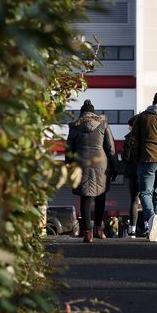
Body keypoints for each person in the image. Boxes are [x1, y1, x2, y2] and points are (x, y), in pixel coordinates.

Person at [65, 99, 116, 243]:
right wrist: (115, 167)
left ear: (82, 114)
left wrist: (69, 166)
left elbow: (69, 151)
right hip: (101, 165)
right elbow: (111, 149)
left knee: (86, 197)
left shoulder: (75, 127)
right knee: (101, 195)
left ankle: (87, 234)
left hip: (82, 165)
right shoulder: (103, 125)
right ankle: (99, 229)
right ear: (94, 113)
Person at [130, 87, 157, 242]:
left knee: (145, 193)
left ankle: (152, 218)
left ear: (153, 102)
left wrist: (137, 158)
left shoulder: (142, 117)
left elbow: (133, 141)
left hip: (146, 158)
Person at [122, 115, 141, 237]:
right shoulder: (145, 136)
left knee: (134, 201)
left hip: (133, 173)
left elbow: (126, 157)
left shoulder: (129, 138)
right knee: (147, 199)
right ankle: (149, 226)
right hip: (145, 171)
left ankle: (132, 229)